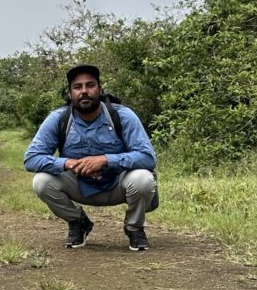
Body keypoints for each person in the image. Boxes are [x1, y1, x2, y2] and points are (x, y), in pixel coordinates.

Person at [24, 64, 157, 251]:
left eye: (90, 85)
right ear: (70, 93)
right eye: (77, 87)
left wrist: (105, 160)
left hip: (118, 184)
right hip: (79, 185)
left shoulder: (122, 115)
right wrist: (70, 164)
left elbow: (148, 158)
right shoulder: (59, 119)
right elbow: (31, 159)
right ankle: (78, 222)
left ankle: (134, 228)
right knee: (41, 181)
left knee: (143, 178)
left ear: (100, 89)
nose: (84, 91)